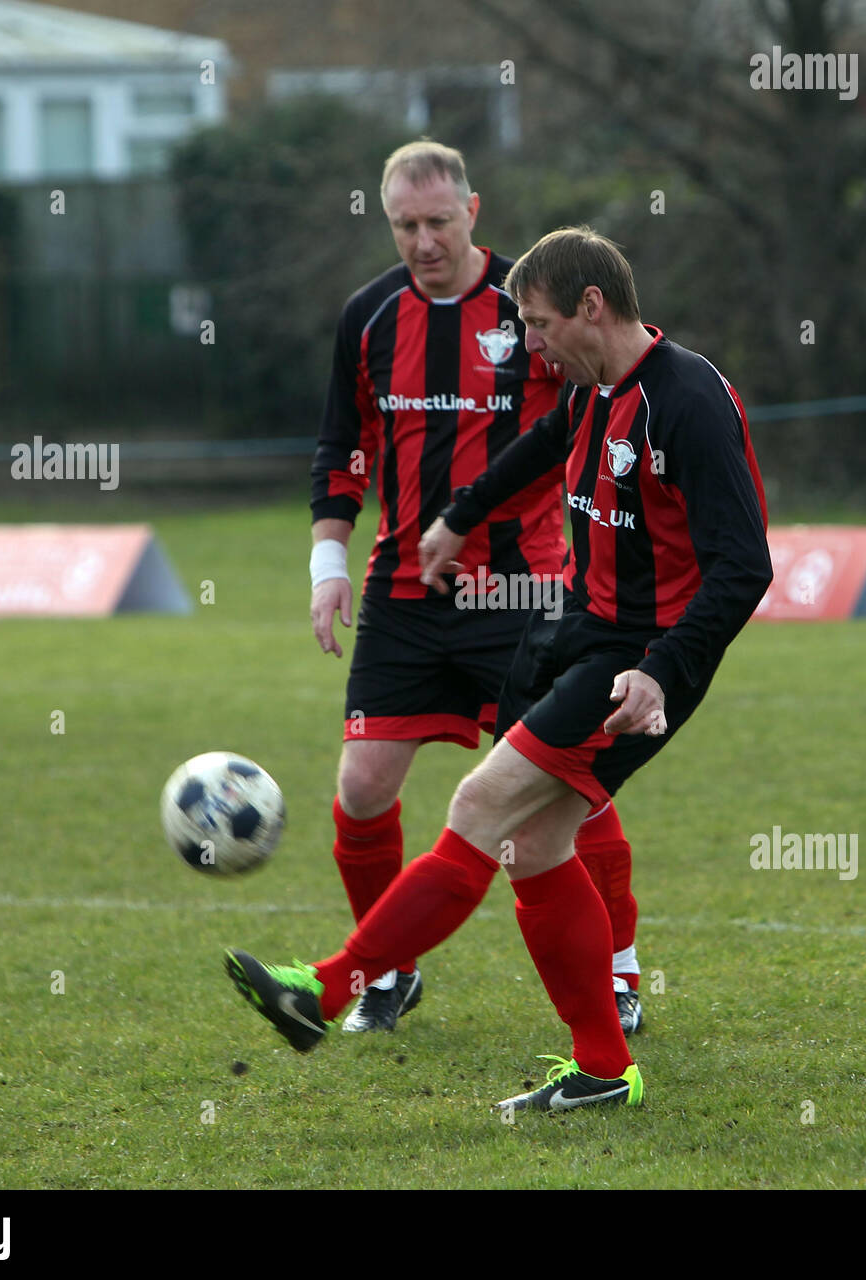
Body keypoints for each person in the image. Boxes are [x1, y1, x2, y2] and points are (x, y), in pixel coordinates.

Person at [227, 226, 772, 1112]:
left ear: (592, 307)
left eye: (540, 321)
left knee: (481, 806)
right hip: (589, 640)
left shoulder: (689, 399)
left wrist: (663, 672)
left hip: (637, 664)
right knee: (535, 844)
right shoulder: (595, 390)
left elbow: (744, 565)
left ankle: (325, 991)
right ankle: (602, 1066)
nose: (530, 342)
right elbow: (537, 449)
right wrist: (458, 517)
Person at [307, 142, 644, 1035]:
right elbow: (341, 446)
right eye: (405, 225)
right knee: (364, 784)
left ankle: (618, 969)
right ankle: (387, 971)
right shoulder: (369, 316)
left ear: (473, 212)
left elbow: (590, 412)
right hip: (406, 591)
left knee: (562, 784)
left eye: (438, 222)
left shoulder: (529, 308)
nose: (423, 241)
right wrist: (327, 566)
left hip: (523, 590)